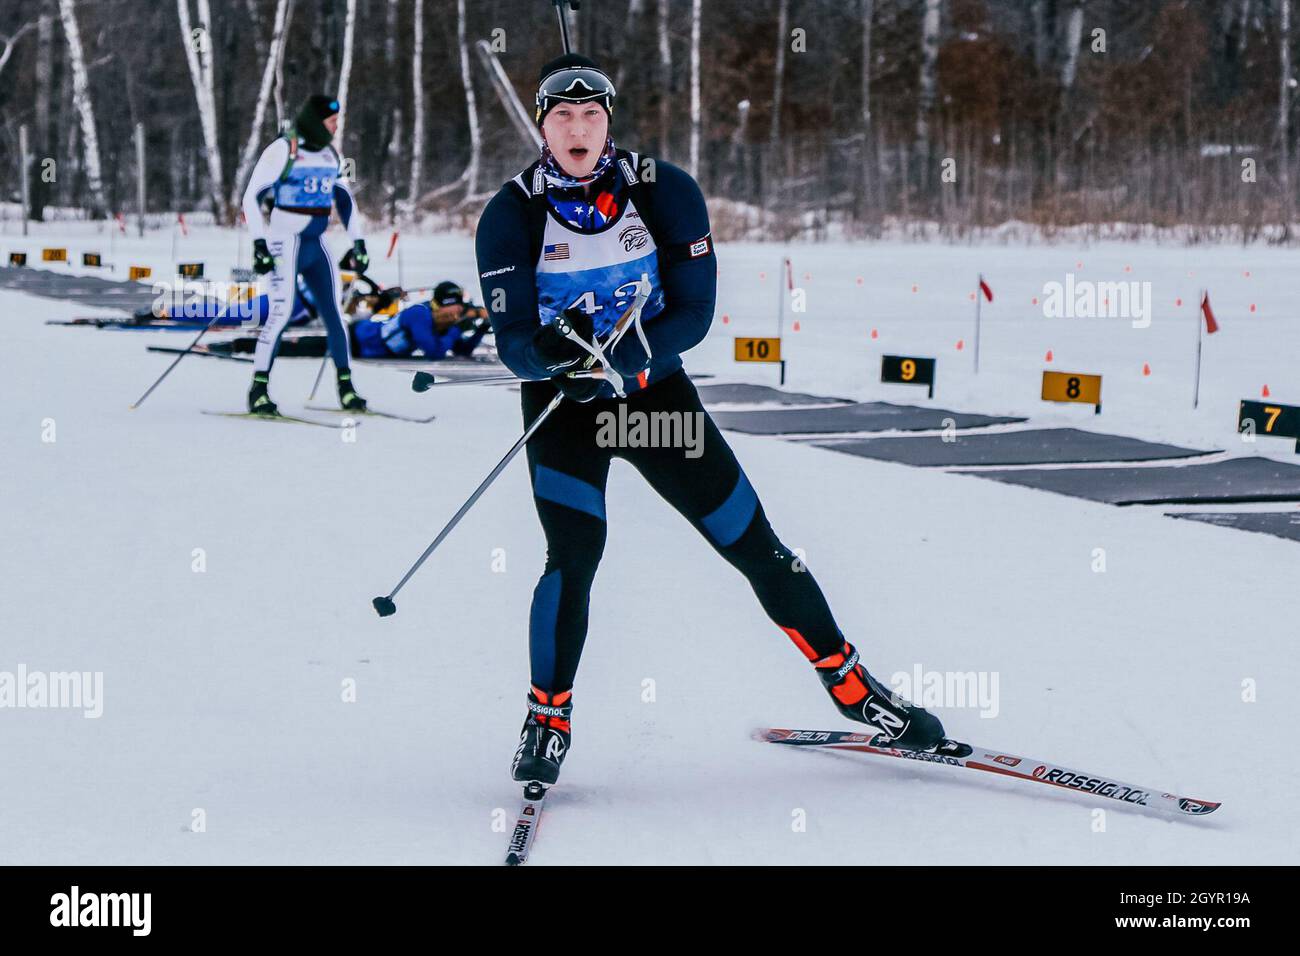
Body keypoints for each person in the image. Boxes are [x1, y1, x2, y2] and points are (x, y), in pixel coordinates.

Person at [475, 53, 952, 789]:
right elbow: (512, 348)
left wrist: (630, 360)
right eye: (563, 116)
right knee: (572, 557)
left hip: (655, 404)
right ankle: (548, 716)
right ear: (543, 125)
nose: (578, 129)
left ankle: (852, 686)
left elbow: (693, 314)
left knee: (755, 545)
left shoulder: (664, 192)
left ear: (610, 122)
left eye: (591, 115)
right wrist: (547, 354)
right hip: (567, 409)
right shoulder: (511, 213)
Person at [241, 93, 369, 415]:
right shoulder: (284, 149)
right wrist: (259, 243)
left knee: (335, 316)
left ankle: (346, 388)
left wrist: (359, 242)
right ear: (316, 120)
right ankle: (258, 389)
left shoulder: (329, 154)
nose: (336, 127)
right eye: (331, 121)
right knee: (281, 314)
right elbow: (251, 197)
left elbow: (345, 200)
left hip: (317, 244)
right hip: (286, 243)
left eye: (337, 121)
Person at [349, 281, 492, 360]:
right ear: (441, 306)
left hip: (366, 347)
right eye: (457, 310)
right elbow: (434, 353)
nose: (458, 315)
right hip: (355, 338)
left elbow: (462, 351)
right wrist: (457, 329)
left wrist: (482, 328)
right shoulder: (419, 314)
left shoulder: (441, 322)